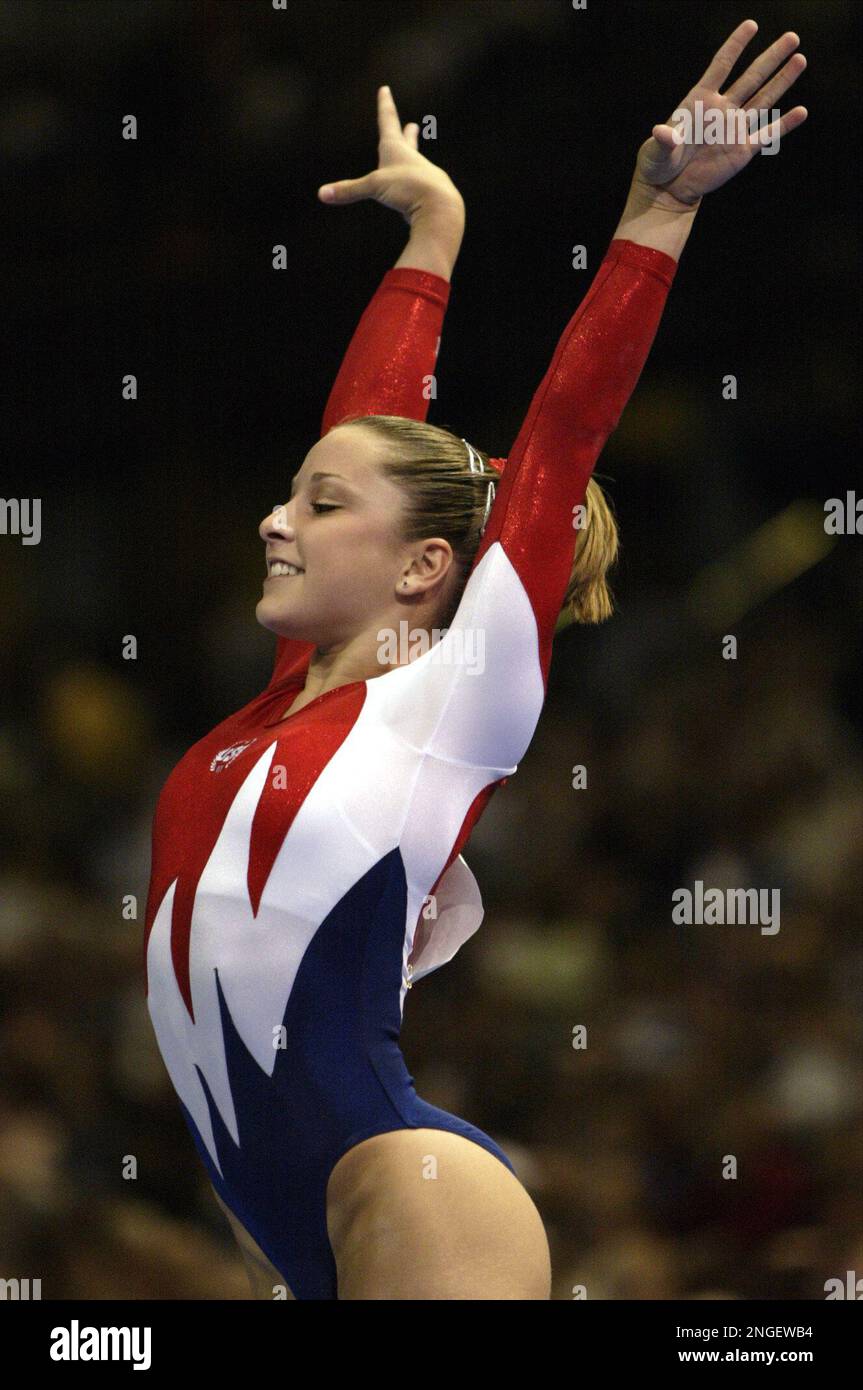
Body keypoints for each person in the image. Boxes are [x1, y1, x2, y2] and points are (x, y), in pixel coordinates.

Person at [143, 20, 807, 1299]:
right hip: (282, 1212)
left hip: (403, 1187)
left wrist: (653, 213)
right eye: (291, 496)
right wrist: (428, 243)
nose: (276, 519)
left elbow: (561, 430)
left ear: (420, 570)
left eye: (319, 507)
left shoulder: (451, 700)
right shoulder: (281, 708)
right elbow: (365, 435)